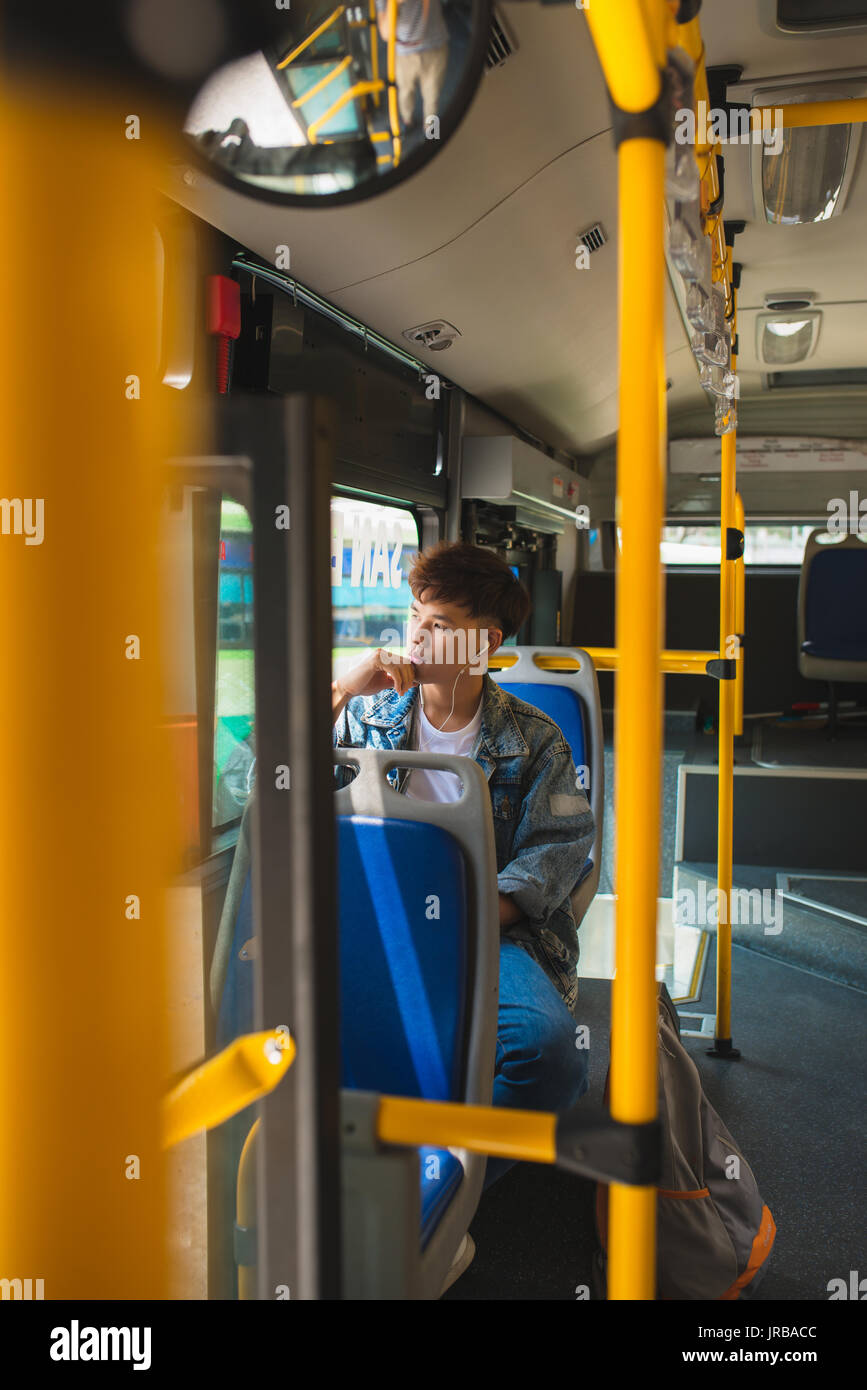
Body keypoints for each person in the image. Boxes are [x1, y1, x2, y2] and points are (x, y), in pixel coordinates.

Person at [332, 541, 594, 1288]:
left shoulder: (535, 741)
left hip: (489, 931)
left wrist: (446, 926)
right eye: (412, 616)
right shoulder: (370, 718)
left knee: (546, 1057)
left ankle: (442, 1190)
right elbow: (262, 782)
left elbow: (547, 865)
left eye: (438, 622)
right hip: (373, 923)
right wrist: (337, 692)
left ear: (484, 642)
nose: (414, 638)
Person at [375, 0, 450, 130]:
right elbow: (385, 34)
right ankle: (407, 120)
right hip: (404, 54)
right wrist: (395, 3)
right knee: (405, 92)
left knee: (432, 97)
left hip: (435, 48)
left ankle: (432, 133)